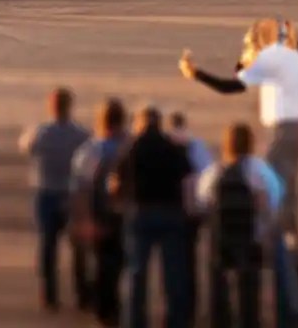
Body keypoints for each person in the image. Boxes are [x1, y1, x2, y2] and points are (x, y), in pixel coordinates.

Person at [179, 18, 298, 239]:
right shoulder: (289, 57)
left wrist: (196, 74)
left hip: (282, 129)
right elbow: (243, 73)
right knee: (285, 182)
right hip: (292, 127)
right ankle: (289, 238)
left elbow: (231, 86)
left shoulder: (271, 59)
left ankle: (282, 243)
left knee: (275, 184)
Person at [110, 105, 194, 328]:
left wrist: (118, 205)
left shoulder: (130, 149)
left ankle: (134, 321)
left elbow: (116, 183)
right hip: (171, 213)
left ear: (140, 123)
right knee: (174, 273)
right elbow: (188, 179)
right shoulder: (174, 148)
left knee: (136, 272)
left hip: (140, 213)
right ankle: (176, 320)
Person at [195, 123, 281, 328]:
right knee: (249, 286)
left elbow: (201, 200)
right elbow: (273, 200)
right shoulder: (260, 171)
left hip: (221, 236)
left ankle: (220, 321)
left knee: (218, 284)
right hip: (250, 235)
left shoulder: (215, 171)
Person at [18, 87, 91, 312]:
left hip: (46, 191)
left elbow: (25, 147)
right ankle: (82, 294)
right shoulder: (81, 134)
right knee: (78, 248)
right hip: (71, 194)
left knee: (48, 246)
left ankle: (49, 295)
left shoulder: (41, 132)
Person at [69, 98, 128, 327]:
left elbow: (80, 187)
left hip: (99, 213)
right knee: (118, 264)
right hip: (123, 215)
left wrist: (84, 219)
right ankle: (113, 307)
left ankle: (104, 310)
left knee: (102, 263)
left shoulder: (90, 150)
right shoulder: (129, 146)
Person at [172, 110, 215, 325]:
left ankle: (177, 309)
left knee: (174, 263)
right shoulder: (197, 144)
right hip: (193, 212)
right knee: (189, 261)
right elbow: (207, 174)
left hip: (172, 210)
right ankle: (190, 307)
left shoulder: (165, 145)